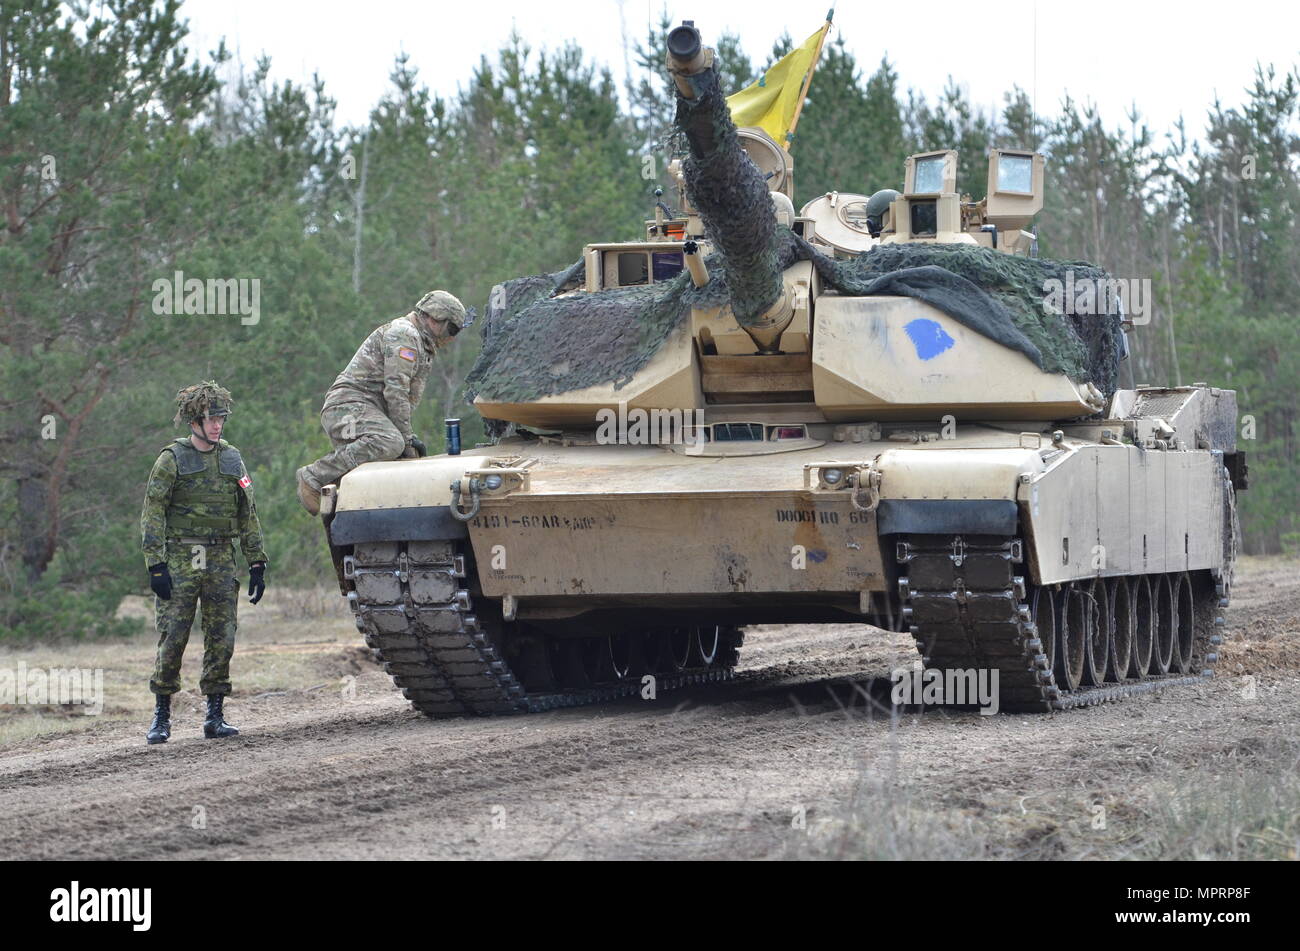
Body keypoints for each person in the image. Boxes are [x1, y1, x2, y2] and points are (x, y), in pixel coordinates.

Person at [140, 382, 268, 745]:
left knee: (222, 637)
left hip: (220, 558)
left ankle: (215, 714)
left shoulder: (232, 458)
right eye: (210, 419)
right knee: (173, 638)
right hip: (181, 557)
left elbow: (248, 513)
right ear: (193, 421)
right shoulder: (172, 459)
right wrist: (156, 565)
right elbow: (153, 513)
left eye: (221, 418)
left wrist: (256, 561)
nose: (217, 425)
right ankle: (162, 715)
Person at [296, 290, 469, 515]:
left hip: (365, 411)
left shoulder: (419, 341)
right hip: (348, 407)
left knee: (397, 462)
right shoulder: (404, 336)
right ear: (434, 319)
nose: (452, 337)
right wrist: (406, 439)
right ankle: (315, 476)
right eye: (452, 329)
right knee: (390, 442)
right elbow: (396, 393)